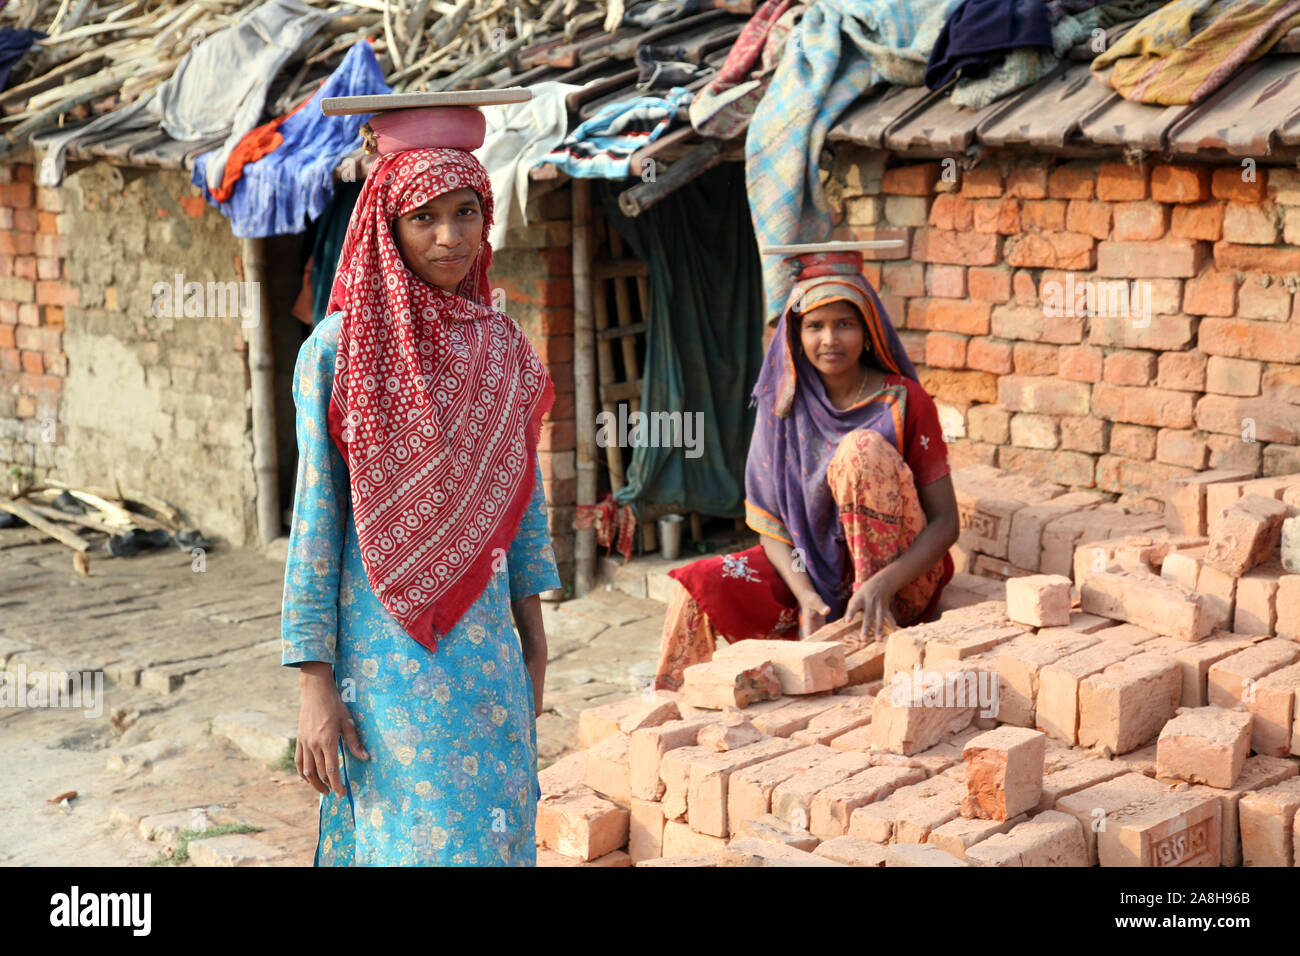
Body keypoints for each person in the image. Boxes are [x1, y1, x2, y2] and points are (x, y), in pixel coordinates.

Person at [280, 95, 559, 866]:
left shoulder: (504, 346)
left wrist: (534, 641)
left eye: (466, 212)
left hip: (490, 657)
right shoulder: (338, 352)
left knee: (498, 839)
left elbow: (522, 502)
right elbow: (316, 519)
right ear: (385, 227)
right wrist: (314, 685)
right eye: (423, 217)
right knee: (409, 843)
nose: (449, 236)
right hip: (385, 660)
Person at [653, 247, 959, 690]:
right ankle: (668, 716)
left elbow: (946, 522)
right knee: (696, 584)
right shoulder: (783, 405)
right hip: (810, 569)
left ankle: (870, 631)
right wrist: (806, 596)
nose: (829, 339)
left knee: (859, 451)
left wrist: (882, 585)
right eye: (815, 326)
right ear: (797, 335)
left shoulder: (904, 400)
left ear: (869, 329)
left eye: (845, 324)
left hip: (896, 586)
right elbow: (769, 523)